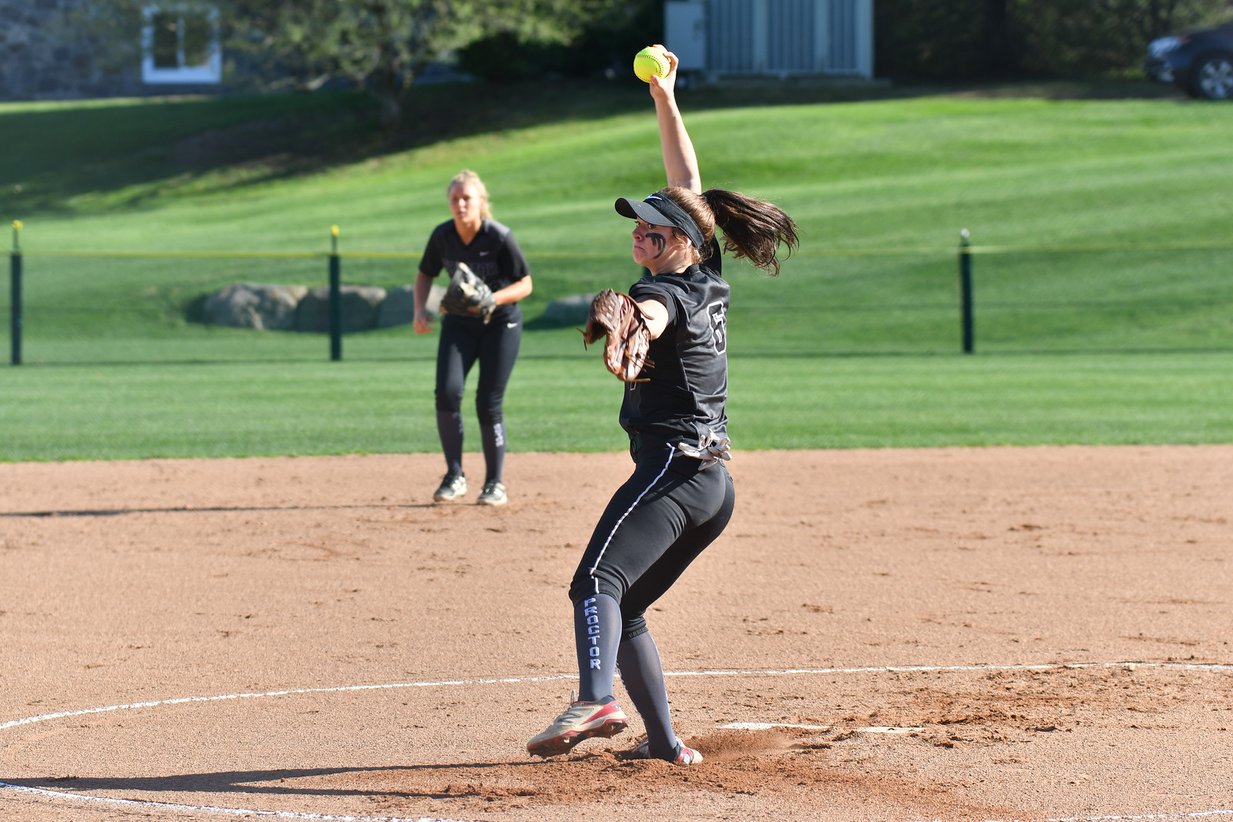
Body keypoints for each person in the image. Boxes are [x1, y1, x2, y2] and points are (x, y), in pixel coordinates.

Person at [526, 48, 799, 764]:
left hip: (671, 474)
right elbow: (686, 183)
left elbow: (648, 315)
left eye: (651, 231)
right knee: (630, 607)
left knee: (594, 583)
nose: (638, 237)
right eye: (635, 228)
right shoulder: (703, 273)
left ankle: (595, 699)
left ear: (680, 242)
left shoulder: (663, 293)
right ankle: (666, 745)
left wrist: (629, 327)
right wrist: (665, 98)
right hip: (712, 486)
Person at [413, 170, 533, 506]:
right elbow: (425, 273)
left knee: (487, 401)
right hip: (460, 323)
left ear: (481, 202)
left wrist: (494, 299)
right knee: (448, 393)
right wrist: (419, 309)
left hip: (501, 323)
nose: (461, 204)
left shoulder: (498, 237)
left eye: (467, 198)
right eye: (455, 199)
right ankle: (454, 475)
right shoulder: (443, 236)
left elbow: (526, 284)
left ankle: (495, 483)